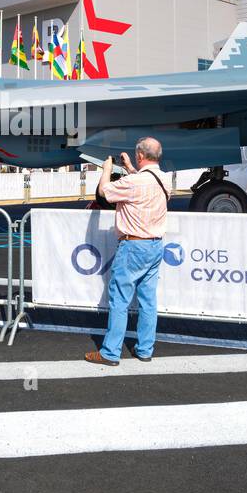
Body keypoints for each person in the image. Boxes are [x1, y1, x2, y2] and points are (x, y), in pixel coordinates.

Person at [85, 137, 172, 366]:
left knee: (120, 300)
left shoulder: (134, 183)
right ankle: (145, 349)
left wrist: (106, 170)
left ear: (140, 156)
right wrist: (130, 168)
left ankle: (110, 353)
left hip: (133, 245)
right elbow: (144, 182)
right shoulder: (164, 179)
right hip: (155, 245)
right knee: (148, 301)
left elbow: (104, 192)